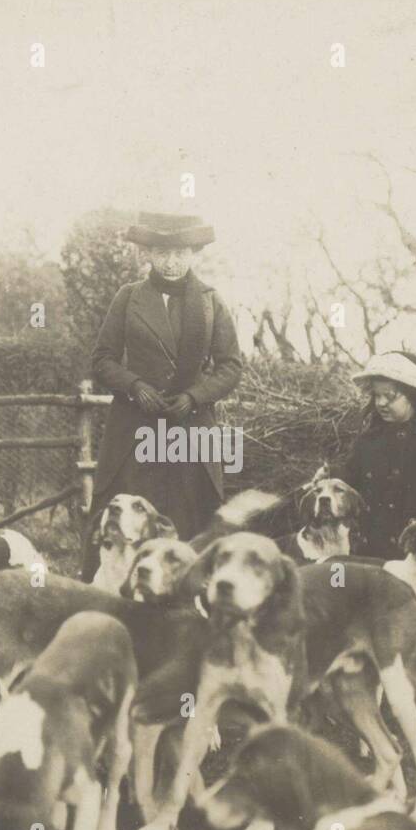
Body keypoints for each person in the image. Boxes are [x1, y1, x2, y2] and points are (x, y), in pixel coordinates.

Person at [85, 211, 242, 579]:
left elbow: (230, 366)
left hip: (190, 431)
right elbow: (102, 359)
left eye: (181, 253)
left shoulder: (211, 301)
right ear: (148, 254)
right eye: (162, 253)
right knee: (130, 520)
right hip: (137, 430)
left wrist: (195, 396)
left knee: (191, 523)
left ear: (194, 254)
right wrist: (135, 386)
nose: (172, 262)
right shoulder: (128, 298)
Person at [340, 351, 416, 561]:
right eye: (376, 395)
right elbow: (349, 481)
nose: (380, 403)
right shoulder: (368, 440)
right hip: (370, 552)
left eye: (389, 396)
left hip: (415, 555)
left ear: (414, 396)